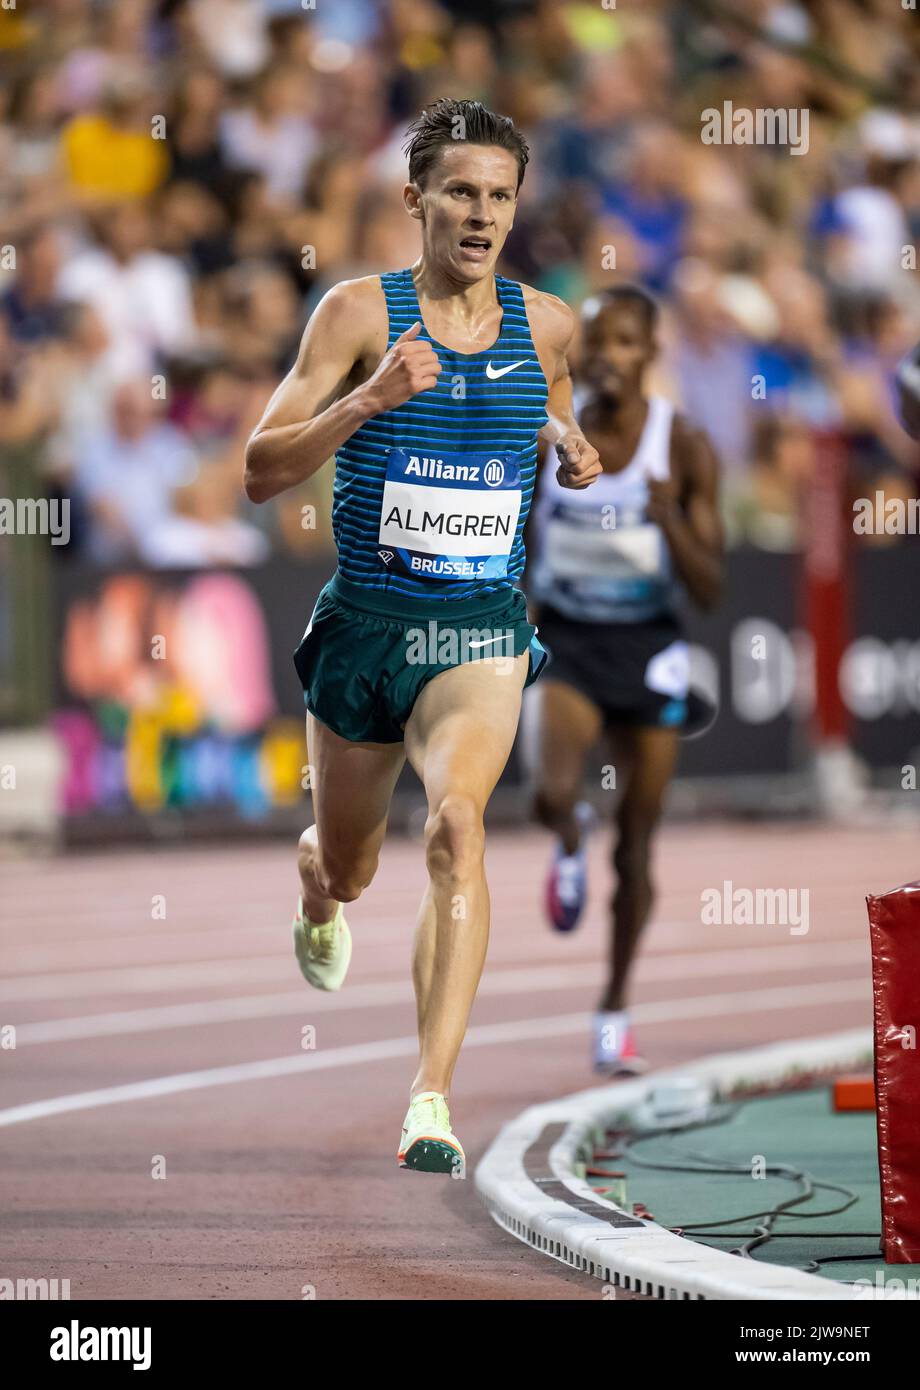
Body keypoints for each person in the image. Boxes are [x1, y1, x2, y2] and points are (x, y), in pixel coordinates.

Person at [244, 98, 601, 1173]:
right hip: (365, 629)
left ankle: (430, 1096)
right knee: (351, 866)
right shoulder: (356, 315)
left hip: (478, 633)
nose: (480, 213)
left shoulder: (548, 326)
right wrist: (368, 401)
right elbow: (260, 468)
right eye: (459, 191)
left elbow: (556, 419)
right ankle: (317, 884)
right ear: (415, 200)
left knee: (457, 825)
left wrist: (574, 449)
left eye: (498, 194)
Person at [525, 284, 723, 1075]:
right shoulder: (547, 438)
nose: (606, 357)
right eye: (593, 343)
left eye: (625, 343)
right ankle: (568, 833)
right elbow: (513, 544)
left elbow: (712, 588)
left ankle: (613, 1010)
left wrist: (669, 517)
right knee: (547, 790)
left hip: (648, 648)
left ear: (651, 353)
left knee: (637, 848)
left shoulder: (683, 446)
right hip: (568, 641)